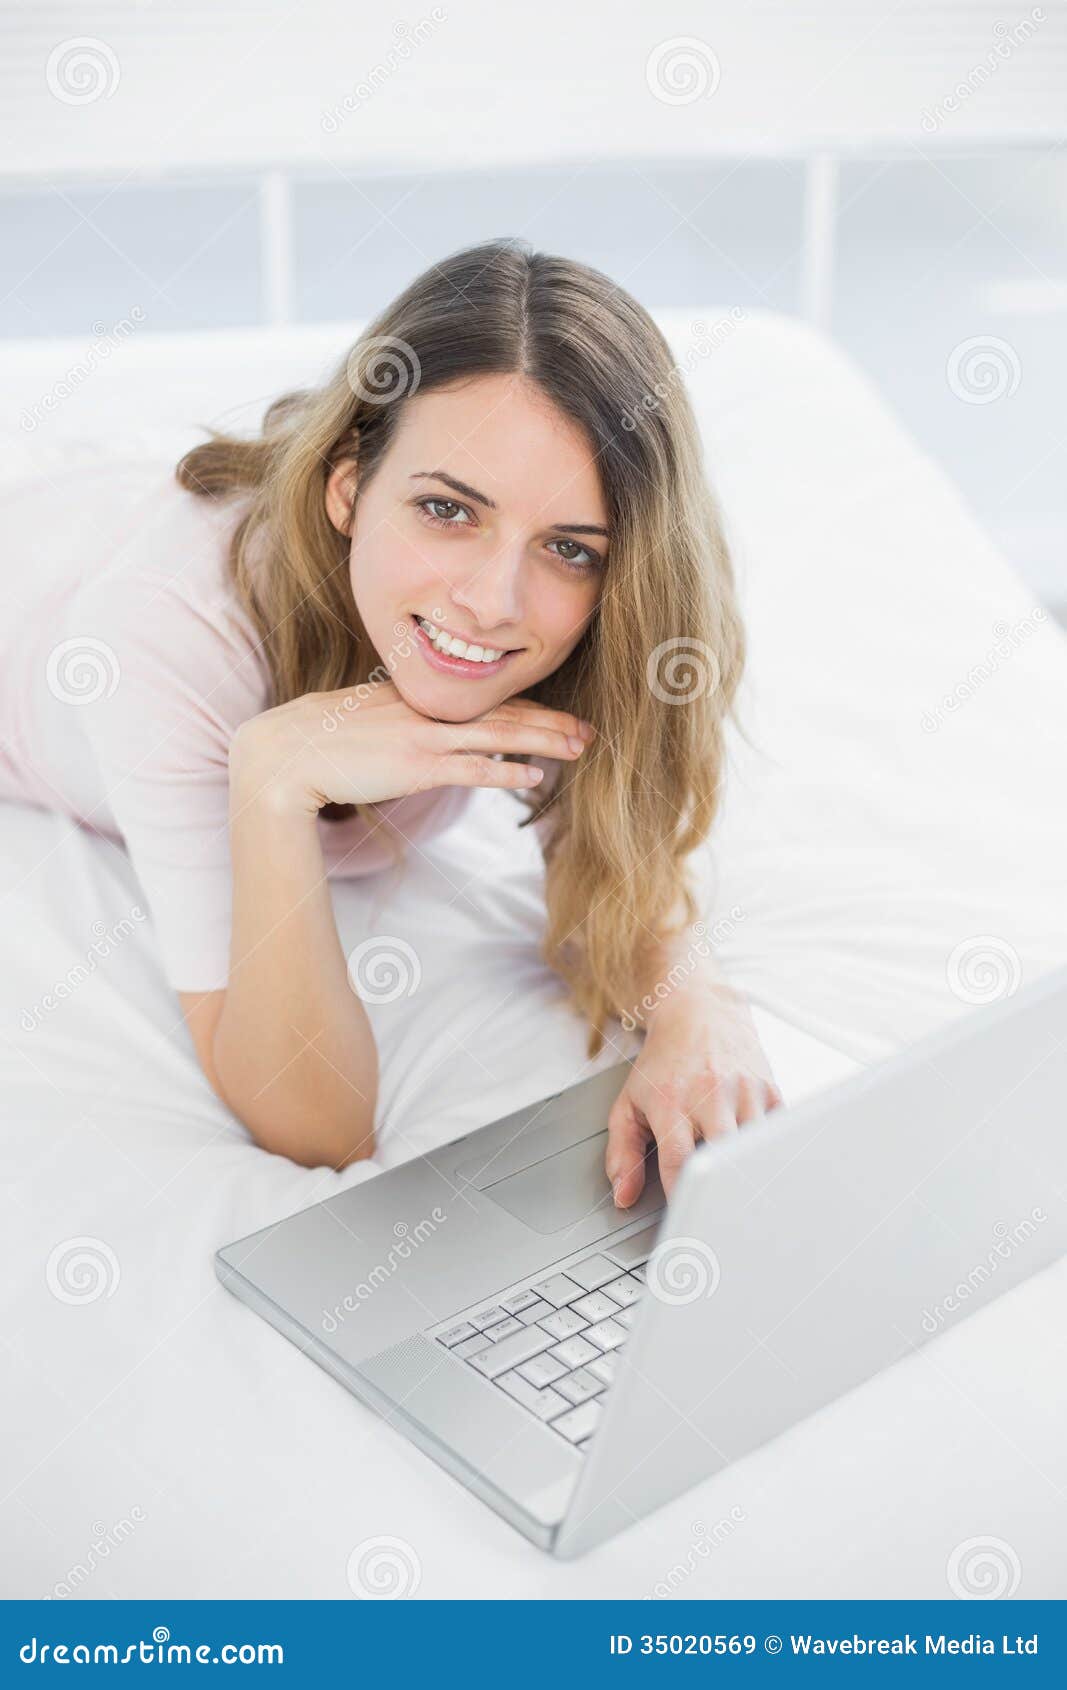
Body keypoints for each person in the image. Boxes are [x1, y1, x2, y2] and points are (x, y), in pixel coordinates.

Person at [0, 237, 781, 1196]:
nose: (494, 601)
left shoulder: (585, 619)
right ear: (348, 486)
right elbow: (316, 1126)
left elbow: (614, 884)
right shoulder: (163, 634)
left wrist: (700, 1011)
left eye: (569, 547)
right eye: (449, 510)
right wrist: (274, 782)